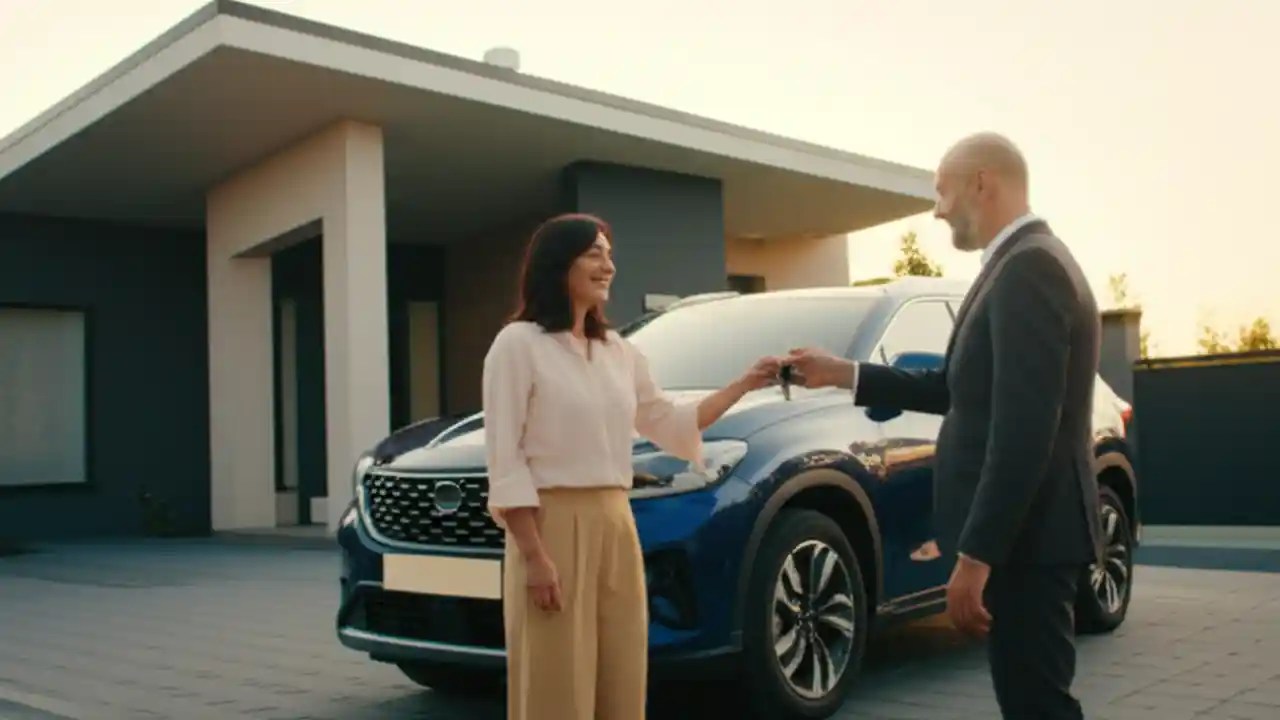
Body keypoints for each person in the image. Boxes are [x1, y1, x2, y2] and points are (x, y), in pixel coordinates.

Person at [783, 132, 1102, 719]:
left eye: (940, 190)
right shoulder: (1016, 263)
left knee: (1037, 706)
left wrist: (978, 556)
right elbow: (958, 391)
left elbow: (1023, 430)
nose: (937, 208)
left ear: (982, 182)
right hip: (1027, 540)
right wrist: (843, 373)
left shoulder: (1029, 267)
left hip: (1026, 545)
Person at [482, 213, 779, 720]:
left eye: (609, 253)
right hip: (550, 526)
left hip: (616, 523)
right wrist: (533, 556)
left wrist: (745, 384)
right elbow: (505, 460)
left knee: (620, 670)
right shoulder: (517, 345)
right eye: (594, 253)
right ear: (559, 264)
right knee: (555, 676)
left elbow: (671, 423)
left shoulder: (619, 352)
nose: (608, 265)